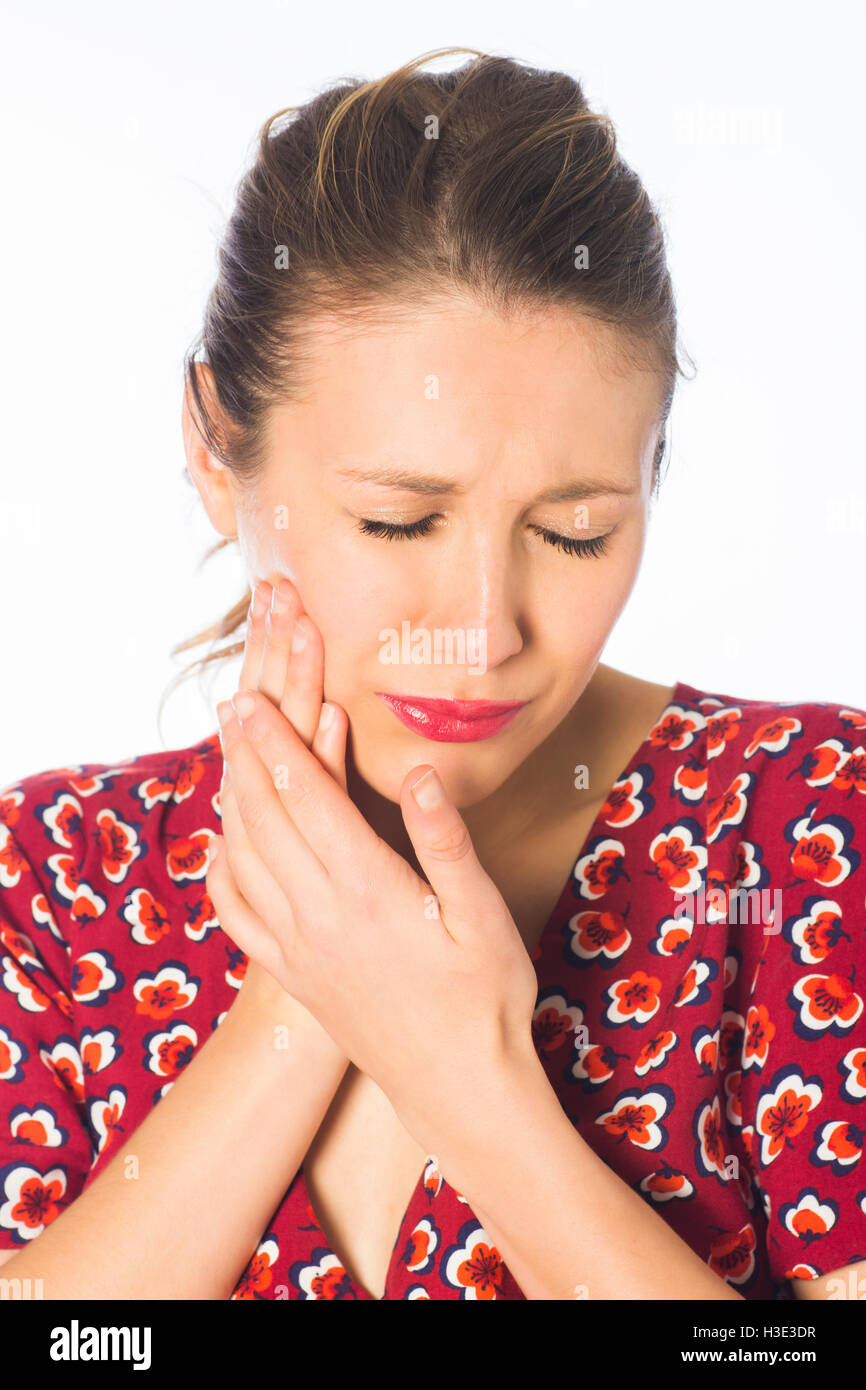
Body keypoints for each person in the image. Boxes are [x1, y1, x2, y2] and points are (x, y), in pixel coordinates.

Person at [1, 46, 864, 1303]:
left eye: (573, 529)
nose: (482, 628)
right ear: (212, 446)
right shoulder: (57, 882)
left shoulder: (803, 835)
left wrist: (468, 1082)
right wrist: (306, 999)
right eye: (399, 521)